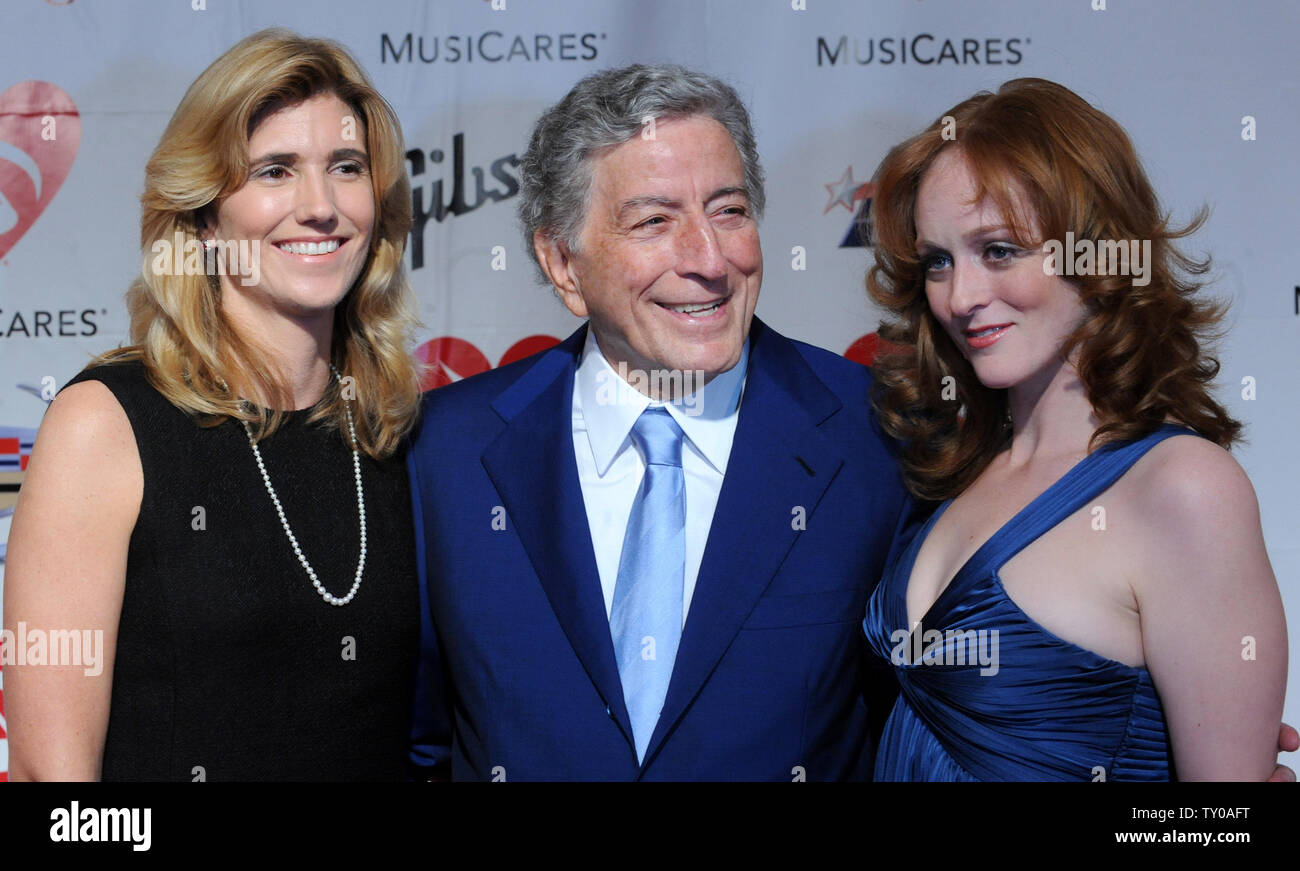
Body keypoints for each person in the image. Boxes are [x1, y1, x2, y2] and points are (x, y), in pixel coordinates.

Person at [406, 64, 913, 780]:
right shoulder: (446, 453)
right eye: (654, 221)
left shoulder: (875, 442)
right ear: (562, 264)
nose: (709, 259)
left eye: (729, 211)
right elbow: (415, 744)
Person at [3, 29, 424, 780]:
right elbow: (52, 781)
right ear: (203, 218)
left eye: (347, 167)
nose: (320, 206)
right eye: (274, 170)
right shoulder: (108, 424)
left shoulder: (393, 427)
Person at [861, 77, 1288, 780]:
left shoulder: (1184, 489)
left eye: (998, 250)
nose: (962, 296)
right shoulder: (949, 468)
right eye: (939, 260)